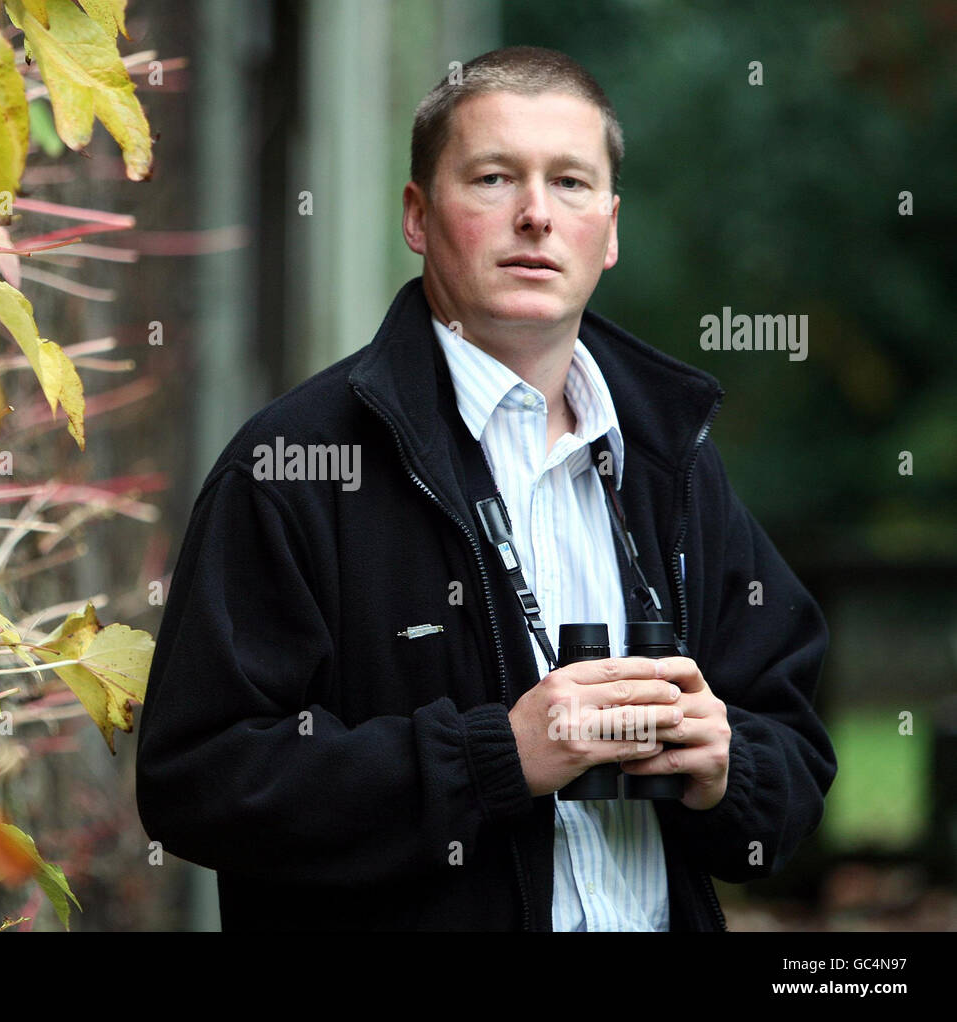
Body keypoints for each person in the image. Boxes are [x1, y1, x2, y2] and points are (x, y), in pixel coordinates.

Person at [135, 45, 836, 931]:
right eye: (496, 178)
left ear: (611, 229)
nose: (537, 216)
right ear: (419, 217)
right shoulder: (293, 464)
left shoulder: (673, 457)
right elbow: (197, 781)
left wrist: (729, 765)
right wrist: (496, 758)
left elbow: (795, 751)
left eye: (572, 183)